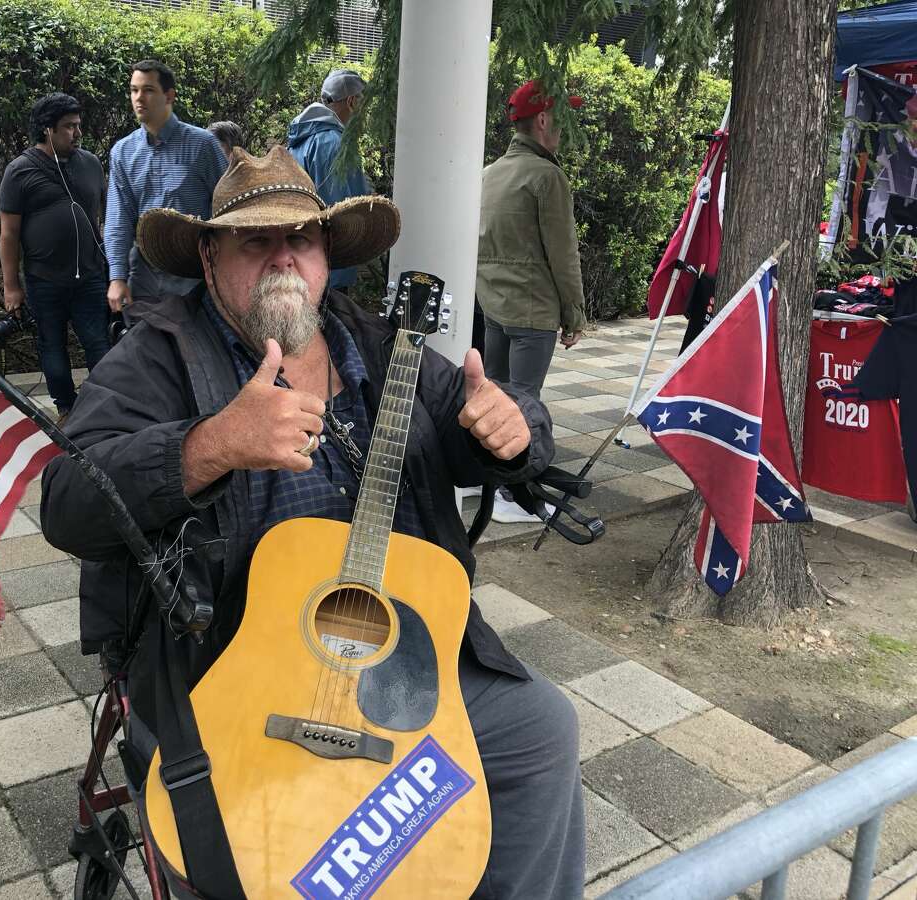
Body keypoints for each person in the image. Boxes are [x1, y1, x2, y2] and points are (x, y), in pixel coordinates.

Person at [40, 147, 584, 900]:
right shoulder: (156, 360)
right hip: (231, 666)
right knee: (246, 862)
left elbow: (473, 418)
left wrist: (509, 427)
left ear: (328, 252)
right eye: (254, 241)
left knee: (540, 730)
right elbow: (67, 499)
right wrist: (210, 444)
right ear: (208, 255)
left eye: (301, 238)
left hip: (394, 658)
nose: (283, 259)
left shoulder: (379, 345)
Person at [475, 79, 588, 523]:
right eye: (561, 116)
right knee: (525, 407)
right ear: (542, 120)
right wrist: (574, 313)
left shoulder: (490, 173)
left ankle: (493, 484)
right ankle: (513, 495)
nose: (565, 126)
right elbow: (564, 253)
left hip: (495, 308)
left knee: (496, 400)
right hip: (533, 313)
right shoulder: (547, 176)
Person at [0, 92, 109, 421]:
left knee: (99, 345)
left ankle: (104, 408)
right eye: (69, 127)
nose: (77, 133)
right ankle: (66, 409)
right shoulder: (19, 172)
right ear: (47, 129)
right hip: (45, 280)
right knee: (53, 350)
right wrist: (11, 287)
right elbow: (8, 234)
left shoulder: (90, 164)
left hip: (90, 276)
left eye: (78, 125)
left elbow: (104, 219)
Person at [104, 59, 228, 318]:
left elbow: (229, 208)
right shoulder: (123, 152)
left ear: (169, 96)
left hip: (194, 273)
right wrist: (117, 277)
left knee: (194, 351)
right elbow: (118, 220)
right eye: (134, 90)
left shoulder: (202, 145)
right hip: (144, 275)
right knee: (144, 350)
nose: (139, 98)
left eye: (148, 90)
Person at [287, 68, 373, 291]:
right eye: (364, 105)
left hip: (299, 259)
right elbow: (343, 212)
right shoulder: (336, 144)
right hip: (330, 269)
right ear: (352, 101)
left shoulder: (301, 138)